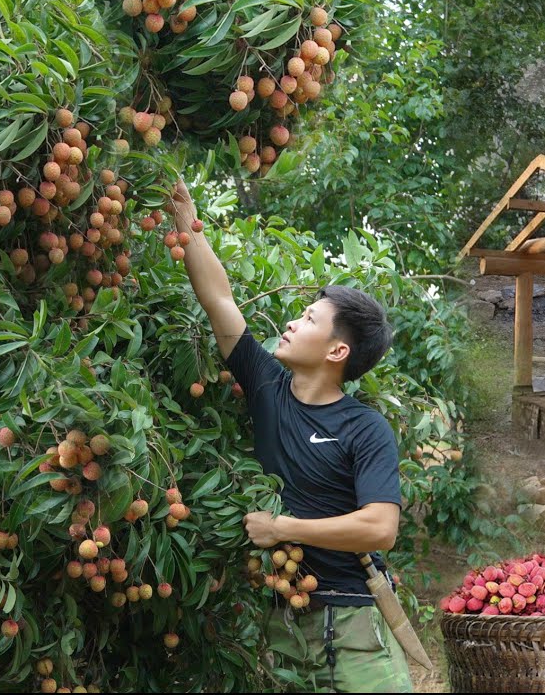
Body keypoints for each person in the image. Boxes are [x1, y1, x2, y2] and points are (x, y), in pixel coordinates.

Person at [162, 180, 413, 693]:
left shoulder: (364, 428)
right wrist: (186, 219)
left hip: (355, 620)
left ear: (338, 352)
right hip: (287, 623)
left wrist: (285, 528)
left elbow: (379, 528)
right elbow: (219, 299)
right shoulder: (267, 388)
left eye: (309, 319)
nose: (294, 323)